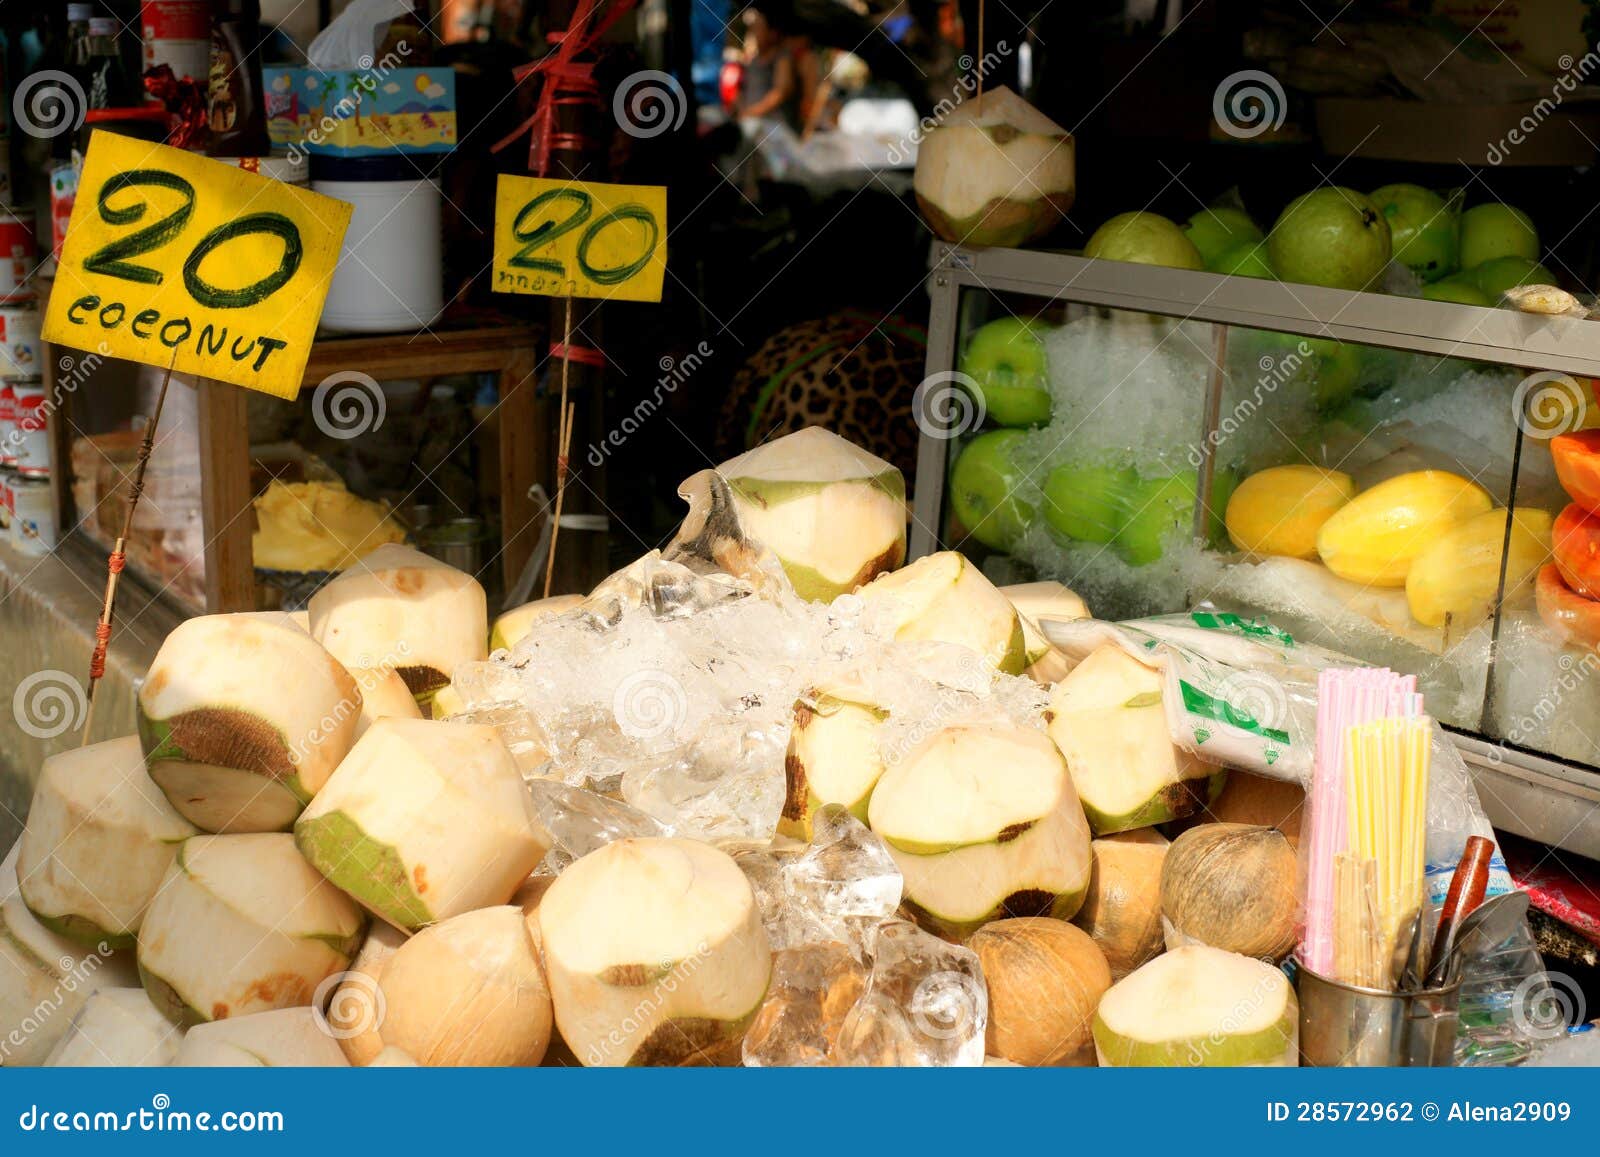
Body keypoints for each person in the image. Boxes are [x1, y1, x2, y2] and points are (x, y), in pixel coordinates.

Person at [739, 7, 801, 128]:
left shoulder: (782, 58)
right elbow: (743, 89)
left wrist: (752, 112)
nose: (754, 34)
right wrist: (741, 109)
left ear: (772, 33)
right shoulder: (754, 60)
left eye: (758, 29)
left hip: (773, 127)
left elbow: (781, 91)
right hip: (750, 122)